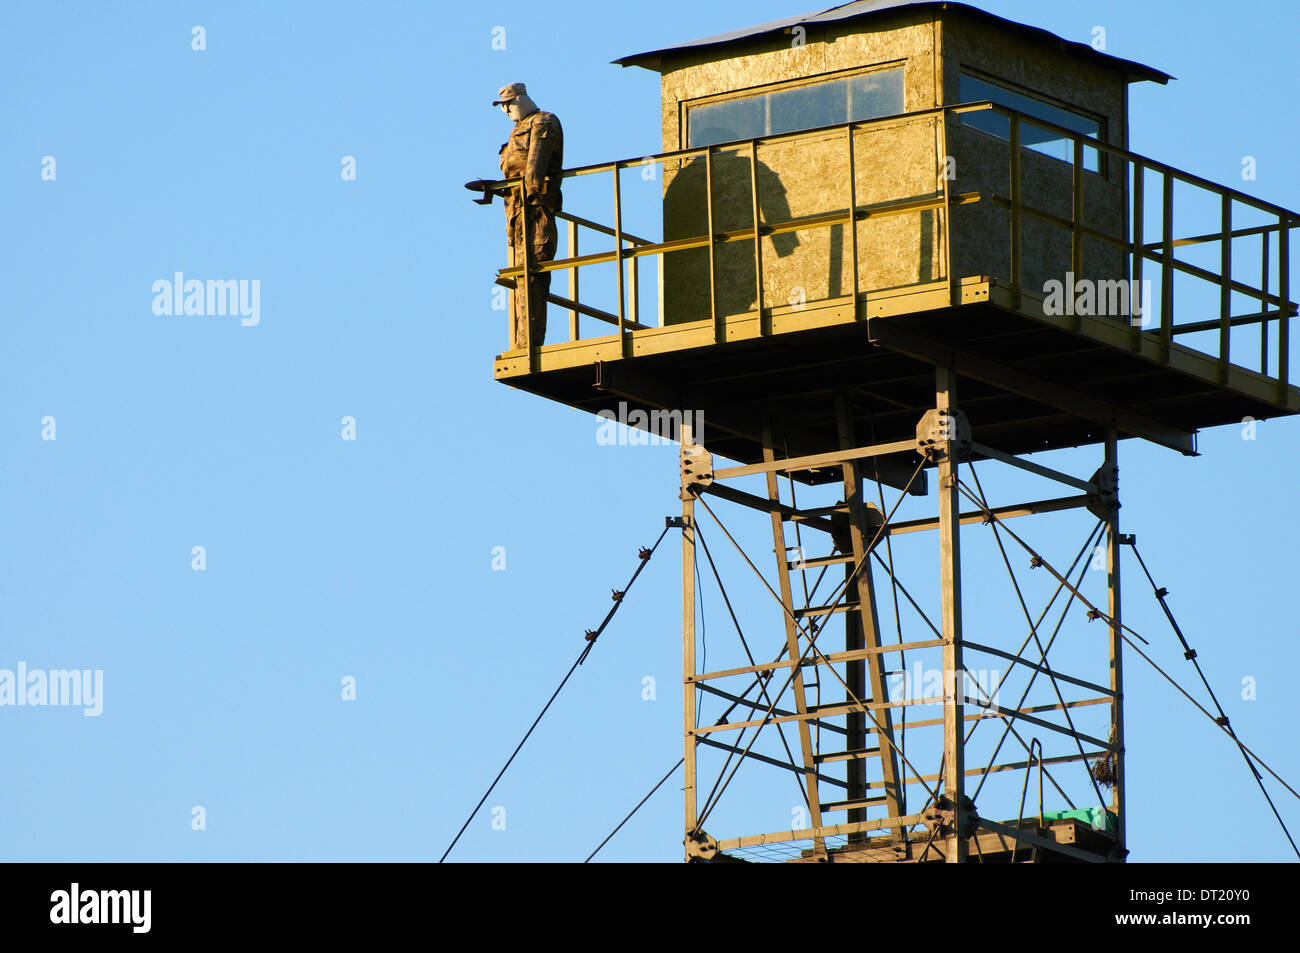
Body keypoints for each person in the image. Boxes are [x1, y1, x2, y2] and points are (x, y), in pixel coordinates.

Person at [494, 82, 563, 350]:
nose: (506, 110)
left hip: (537, 214)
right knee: (521, 280)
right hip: (516, 221)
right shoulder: (514, 134)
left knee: (533, 277)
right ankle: (522, 346)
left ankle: (530, 348)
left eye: (509, 103)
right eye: (503, 106)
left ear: (521, 99)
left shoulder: (544, 122)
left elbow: (534, 171)